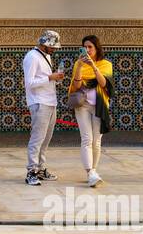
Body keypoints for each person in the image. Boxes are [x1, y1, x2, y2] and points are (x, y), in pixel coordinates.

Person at [68, 35, 113, 188]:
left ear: (96, 48)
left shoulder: (106, 64)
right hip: (83, 105)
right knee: (86, 138)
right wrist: (80, 67)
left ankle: (93, 171)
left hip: (99, 106)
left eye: (90, 47)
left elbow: (104, 83)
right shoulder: (78, 64)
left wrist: (93, 66)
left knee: (96, 141)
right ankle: (90, 173)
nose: (87, 50)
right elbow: (75, 87)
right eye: (84, 47)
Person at [23, 30, 65, 186]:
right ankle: (31, 172)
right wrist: (49, 77)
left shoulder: (46, 56)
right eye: (52, 46)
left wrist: (55, 79)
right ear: (44, 44)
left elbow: (46, 80)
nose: (54, 49)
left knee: (46, 139)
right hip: (39, 103)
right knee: (37, 139)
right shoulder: (32, 57)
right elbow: (30, 83)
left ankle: (40, 168)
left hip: (50, 102)